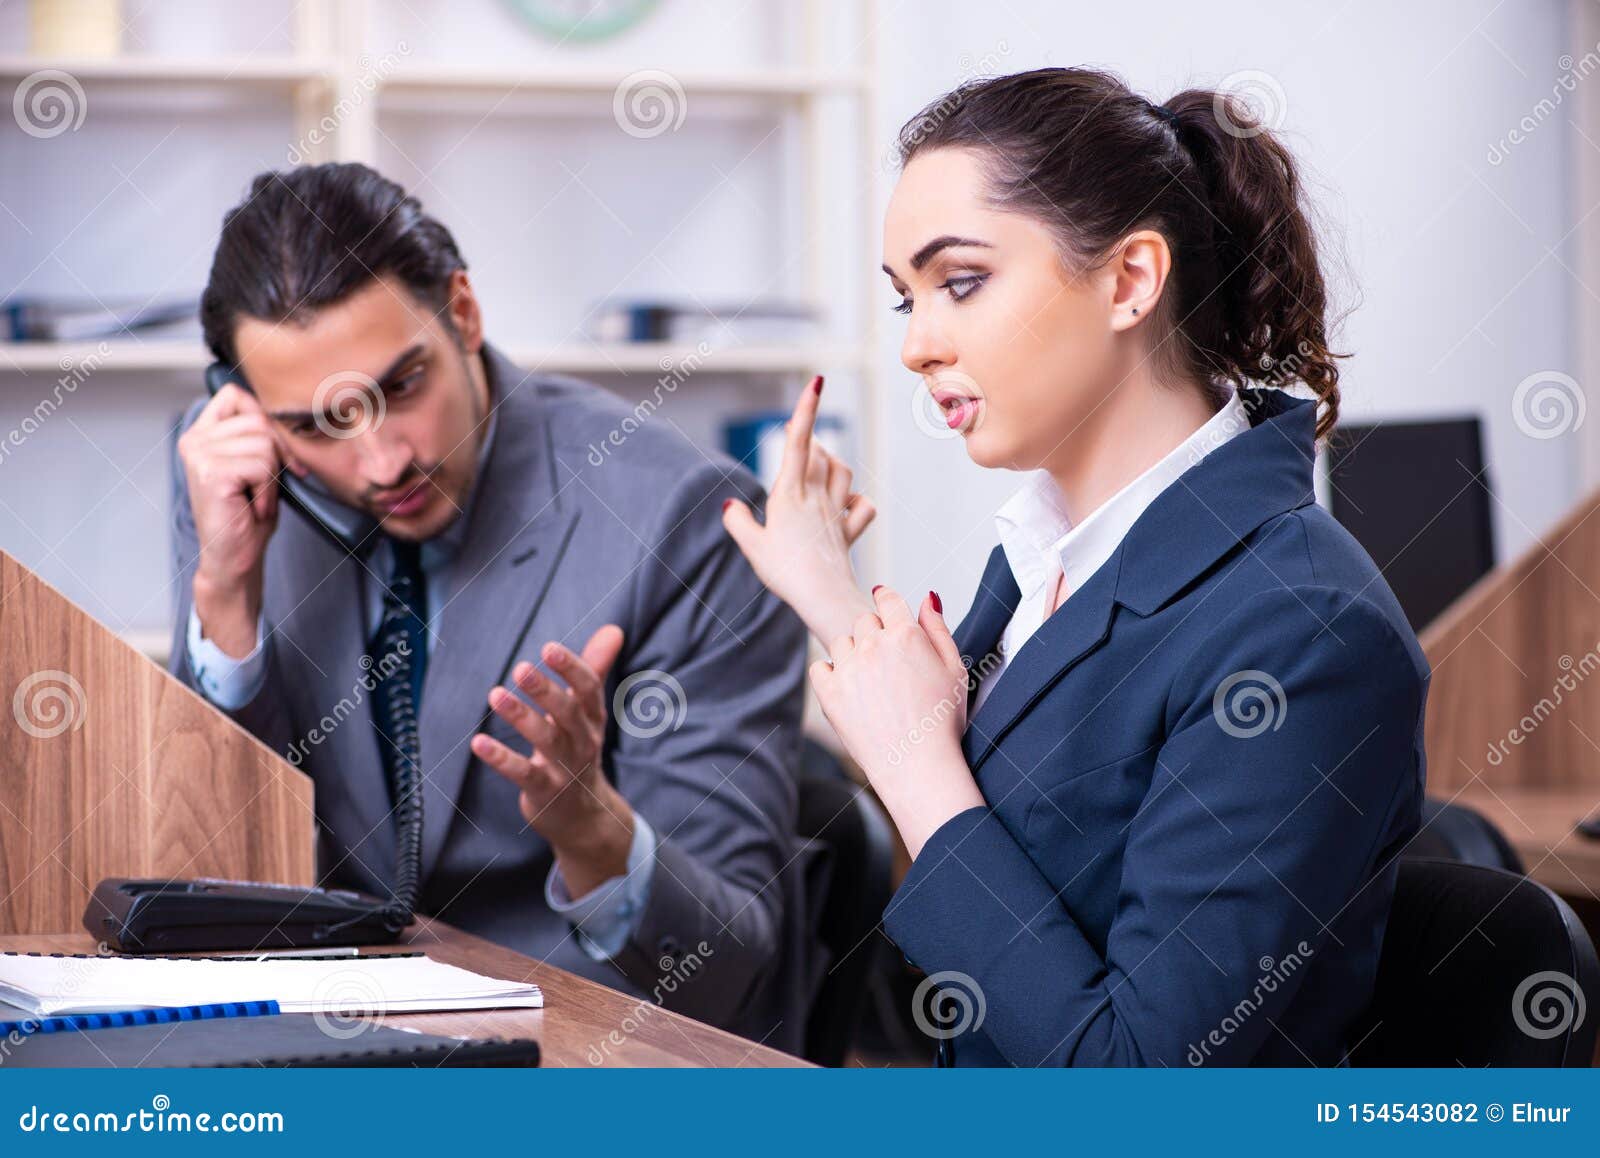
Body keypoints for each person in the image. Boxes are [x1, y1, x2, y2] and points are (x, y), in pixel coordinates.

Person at [723, 68, 1430, 1066]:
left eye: (960, 282)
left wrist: (912, 772)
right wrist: (827, 596)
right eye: (904, 302)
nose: (921, 345)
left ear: (1130, 280)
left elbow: (1134, 1081)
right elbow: (993, 864)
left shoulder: (1304, 628)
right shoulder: (1039, 564)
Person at [168, 162, 814, 1050]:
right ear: (245, 410)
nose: (383, 462)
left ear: (464, 312)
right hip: (307, 1040)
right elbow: (202, 876)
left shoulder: (688, 519)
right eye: (317, 425)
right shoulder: (233, 489)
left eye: (401, 388)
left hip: (578, 1056)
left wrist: (592, 829)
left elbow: (728, 967)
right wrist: (225, 594)